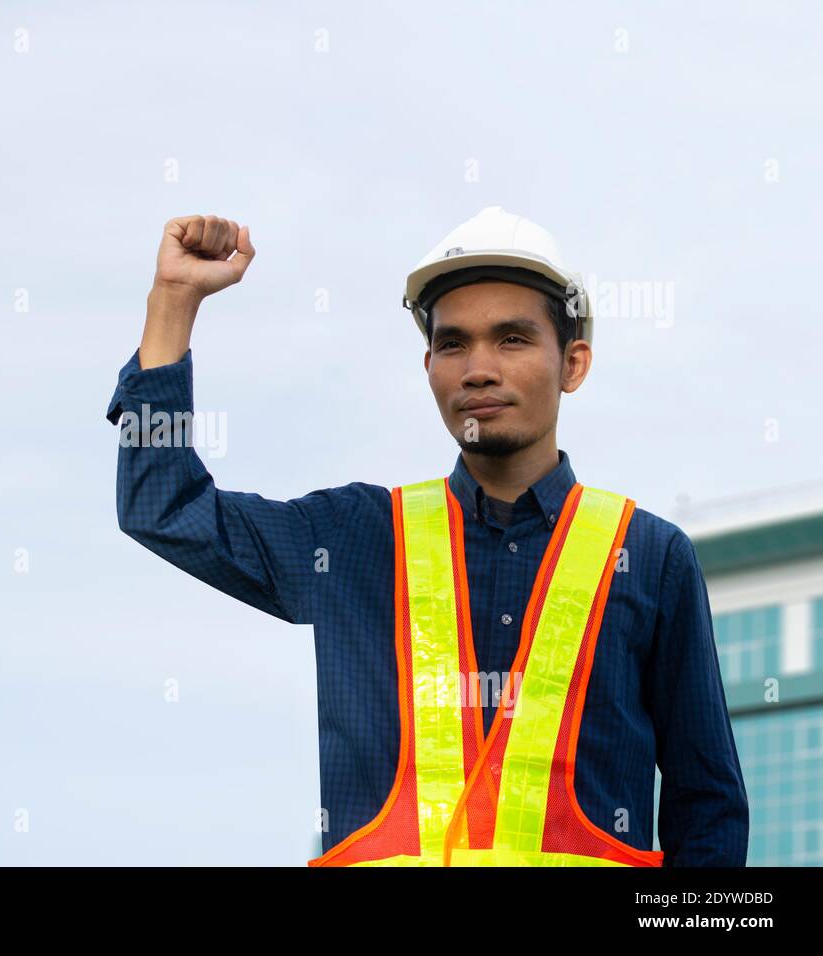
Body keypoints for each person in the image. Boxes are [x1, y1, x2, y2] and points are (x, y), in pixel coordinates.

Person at [105, 208, 749, 866]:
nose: (478, 369)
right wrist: (174, 302)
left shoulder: (648, 557)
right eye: (453, 344)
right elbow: (164, 507)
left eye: (513, 340)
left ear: (573, 363)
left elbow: (708, 809)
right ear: (429, 365)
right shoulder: (353, 540)